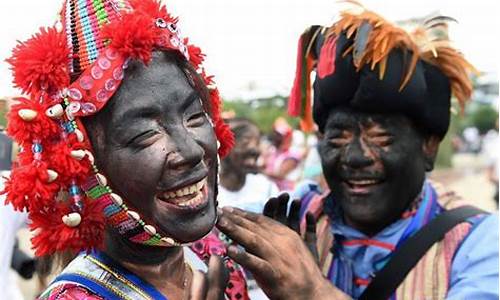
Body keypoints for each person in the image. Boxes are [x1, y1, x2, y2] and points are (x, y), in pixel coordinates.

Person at [215, 4, 499, 300]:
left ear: (428, 147)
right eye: (338, 137)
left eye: (380, 137)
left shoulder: (478, 241)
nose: (355, 156)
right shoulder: (301, 216)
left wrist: (313, 291)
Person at [3, 0, 238, 299]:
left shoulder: (215, 254)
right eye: (145, 135)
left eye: (194, 117)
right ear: (85, 163)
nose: (191, 151)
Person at [218, 118, 279, 213]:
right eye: (245, 142)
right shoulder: (208, 192)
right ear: (224, 147)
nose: (254, 148)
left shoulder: (266, 187)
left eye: (258, 142)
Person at [263, 118, 302, 191]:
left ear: (286, 138)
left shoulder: (292, 155)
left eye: (278, 135)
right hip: (270, 190)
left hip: (284, 193)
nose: (275, 137)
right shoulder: (273, 151)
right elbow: (264, 164)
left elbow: (280, 175)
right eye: (275, 134)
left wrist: (259, 171)